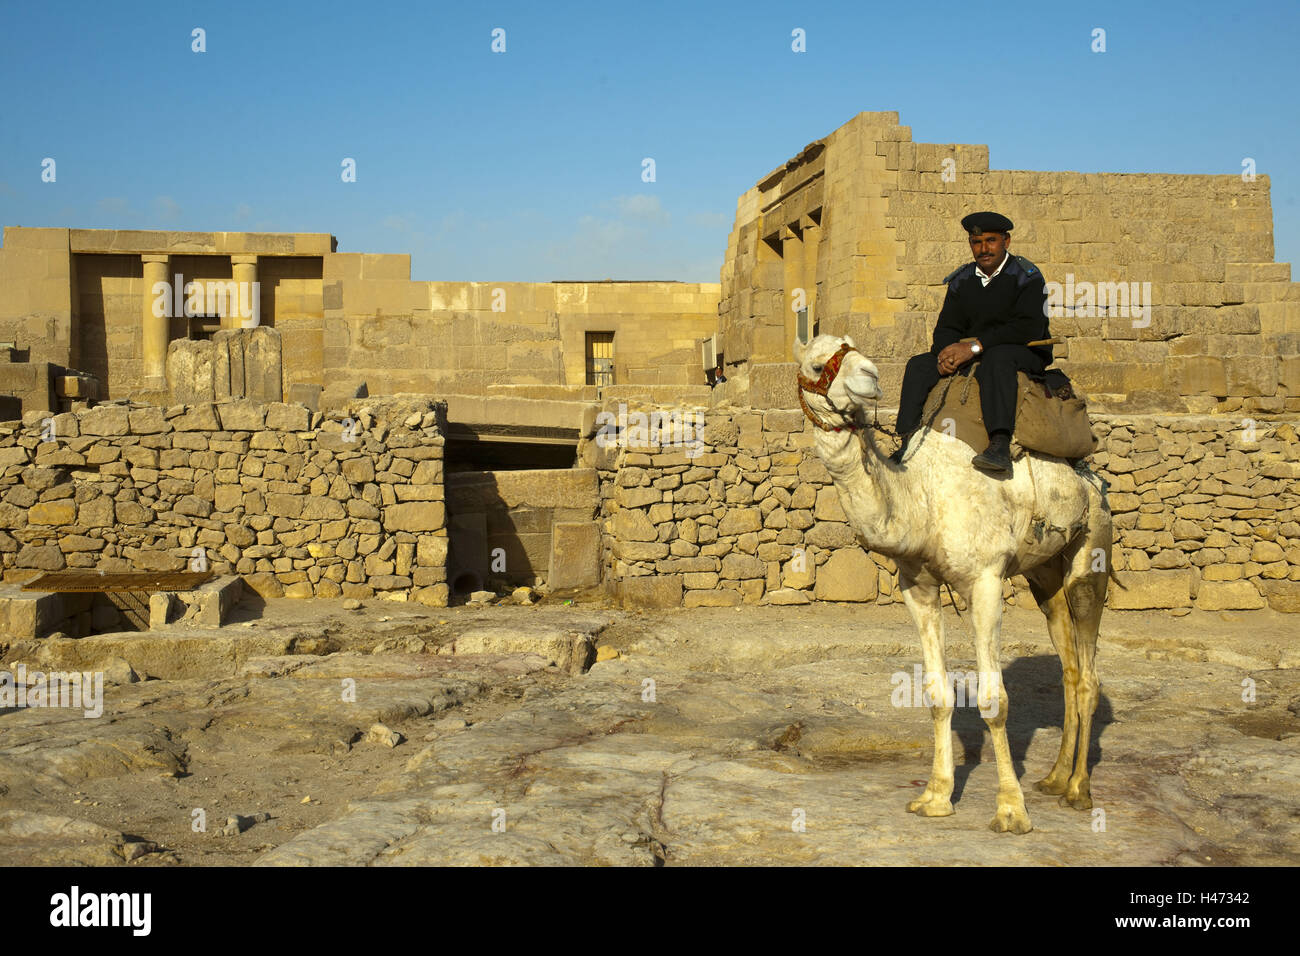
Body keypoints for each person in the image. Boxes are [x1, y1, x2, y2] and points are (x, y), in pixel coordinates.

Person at [891, 211, 1052, 474]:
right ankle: (907, 440)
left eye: (991, 241)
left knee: (997, 360)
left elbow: (1028, 327)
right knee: (919, 365)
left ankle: (999, 444)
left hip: (1022, 349)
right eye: (977, 242)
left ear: (1006, 242)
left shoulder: (1028, 276)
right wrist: (945, 353)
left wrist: (975, 347)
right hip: (974, 351)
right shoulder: (962, 280)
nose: (984, 249)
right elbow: (946, 327)